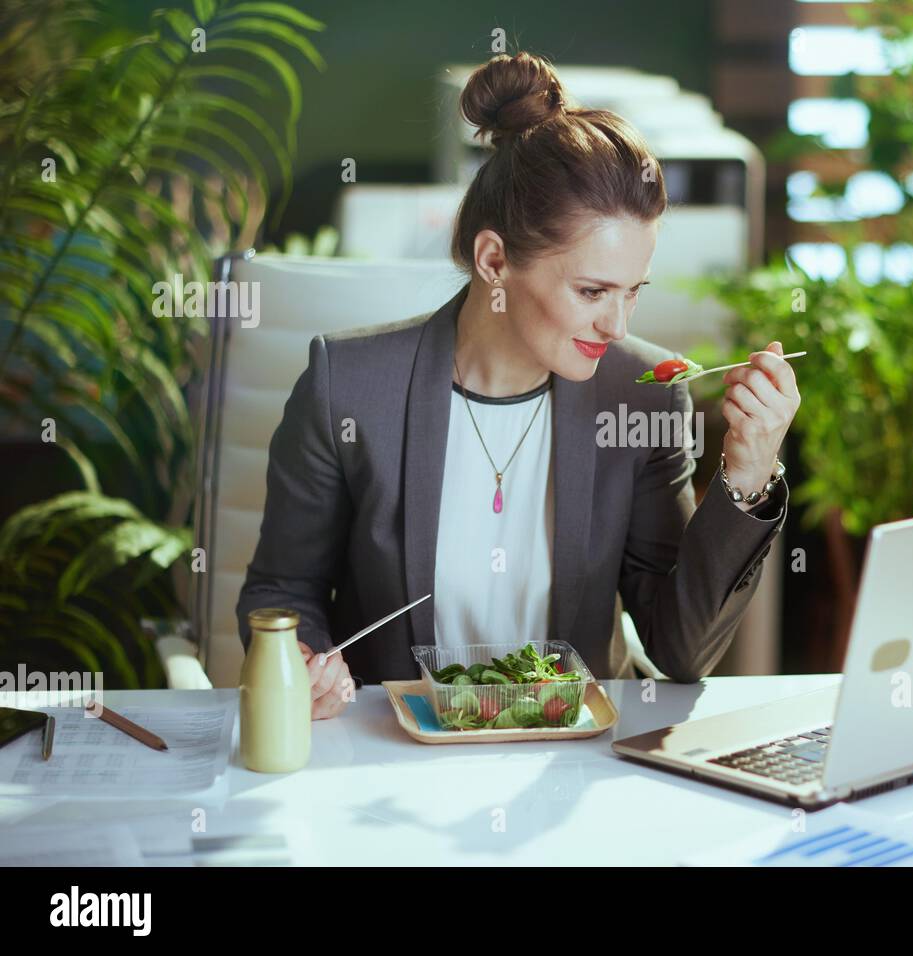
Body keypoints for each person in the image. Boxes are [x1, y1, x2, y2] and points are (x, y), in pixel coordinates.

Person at [236, 51, 801, 719]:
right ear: (495, 260)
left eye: (632, 292)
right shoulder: (351, 388)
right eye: (592, 290)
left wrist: (749, 473)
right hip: (392, 759)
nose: (616, 324)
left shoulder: (640, 396)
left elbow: (681, 652)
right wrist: (304, 659)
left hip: (569, 771)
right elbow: (282, 591)